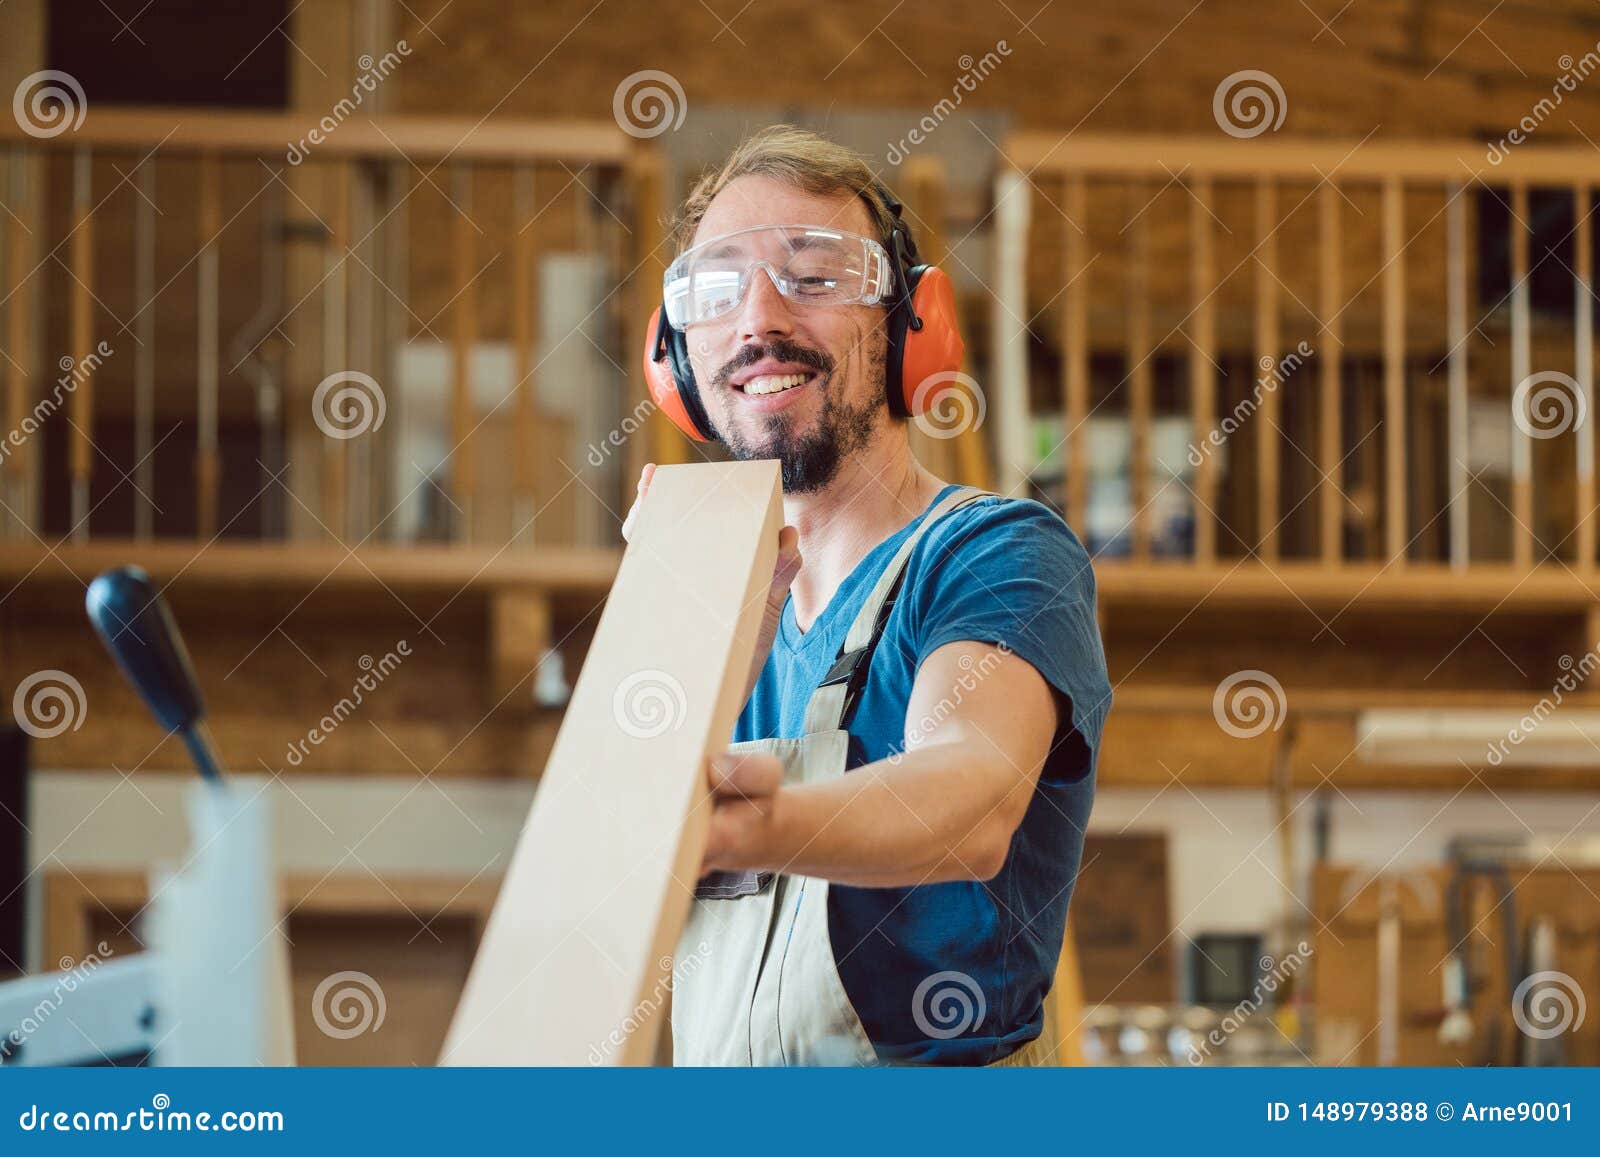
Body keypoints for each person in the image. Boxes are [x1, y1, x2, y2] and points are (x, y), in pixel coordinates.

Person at [624, 125, 1111, 1066]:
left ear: (906, 330)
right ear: (678, 361)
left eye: (813, 274)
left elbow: (969, 797)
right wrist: (669, 642)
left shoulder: (994, 554)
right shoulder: (713, 596)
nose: (758, 319)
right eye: (716, 290)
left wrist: (751, 827)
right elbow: (612, 886)